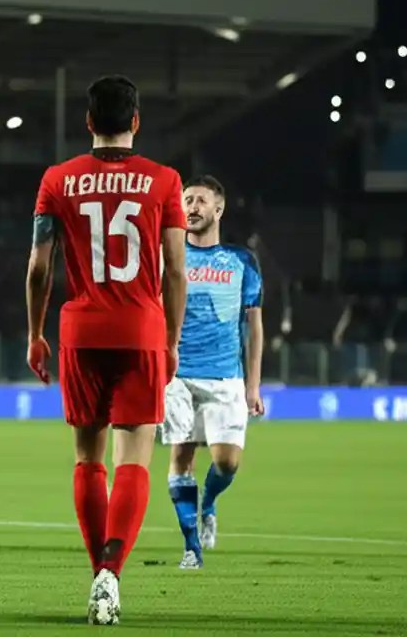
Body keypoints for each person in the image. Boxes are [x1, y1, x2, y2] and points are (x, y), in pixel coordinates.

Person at [26, 75, 187, 625]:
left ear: (89, 122)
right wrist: (171, 341)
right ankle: (111, 575)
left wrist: (35, 333)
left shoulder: (57, 179)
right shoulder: (165, 181)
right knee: (134, 460)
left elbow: (39, 267)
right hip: (141, 330)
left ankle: (98, 575)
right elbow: (176, 273)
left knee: (88, 459)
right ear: (136, 121)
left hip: (82, 332)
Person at [160, 175, 264, 570]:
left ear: (218, 209)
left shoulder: (241, 262)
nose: (192, 207)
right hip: (178, 374)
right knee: (181, 456)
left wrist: (253, 385)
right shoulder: (169, 256)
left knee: (226, 463)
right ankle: (191, 548)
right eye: (187, 200)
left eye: (201, 201)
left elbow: (253, 325)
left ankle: (210, 503)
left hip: (226, 377)